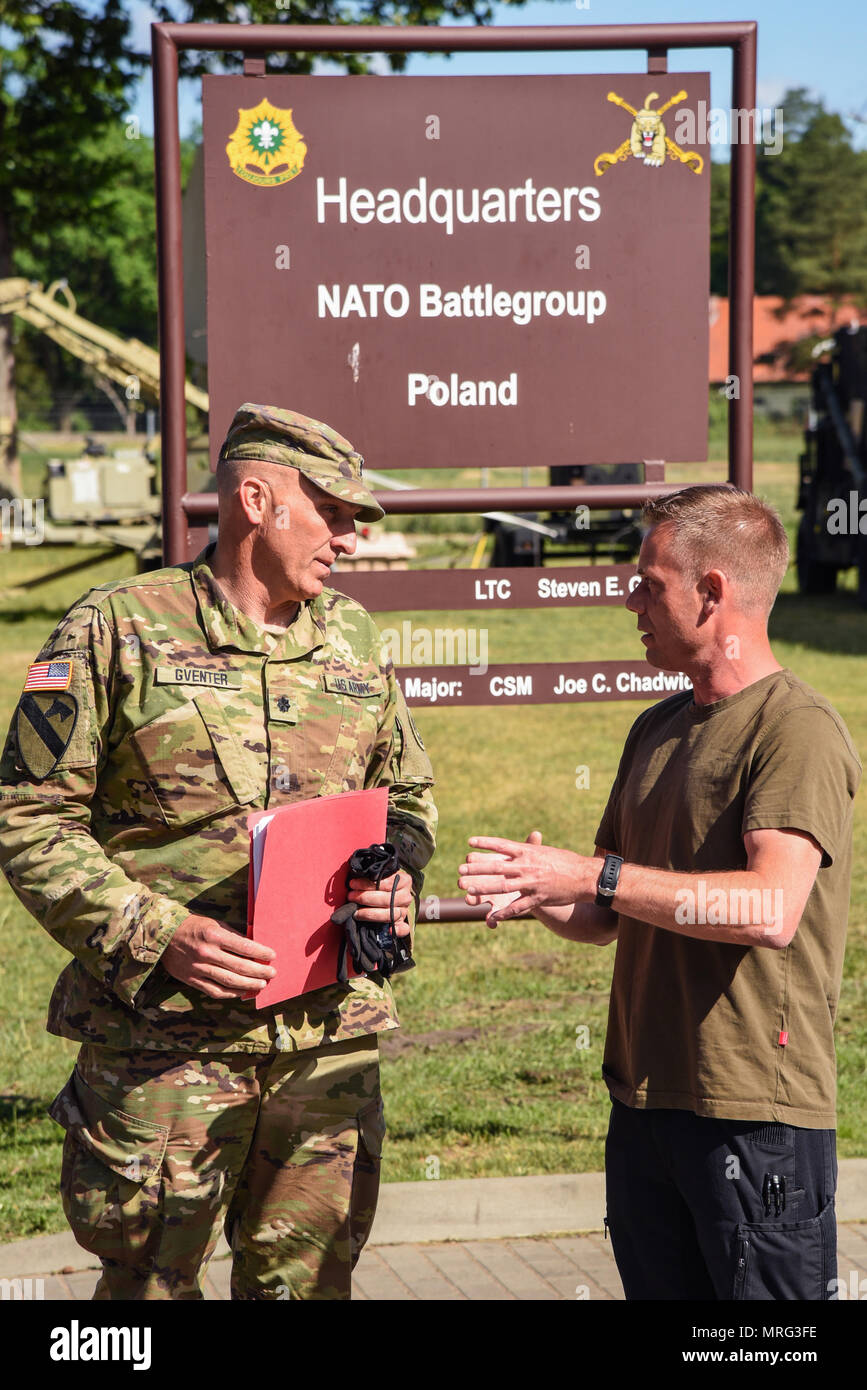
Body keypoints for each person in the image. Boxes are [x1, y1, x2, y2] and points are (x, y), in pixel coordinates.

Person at [0, 403, 437, 1301]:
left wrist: (398, 872)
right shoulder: (118, 628)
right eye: (335, 513)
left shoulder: (350, 636)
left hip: (324, 1041)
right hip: (167, 1045)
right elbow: (30, 817)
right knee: (149, 1290)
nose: (351, 539)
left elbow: (406, 797)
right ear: (256, 500)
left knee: (310, 1286)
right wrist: (160, 934)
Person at [459, 484, 860, 1301]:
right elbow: (608, 913)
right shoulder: (657, 727)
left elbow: (769, 910)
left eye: (649, 583)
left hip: (752, 1114)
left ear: (711, 592)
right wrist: (545, 892)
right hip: (642, 1103)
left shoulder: (796, 729)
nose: (629, 600)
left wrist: (594, 874)